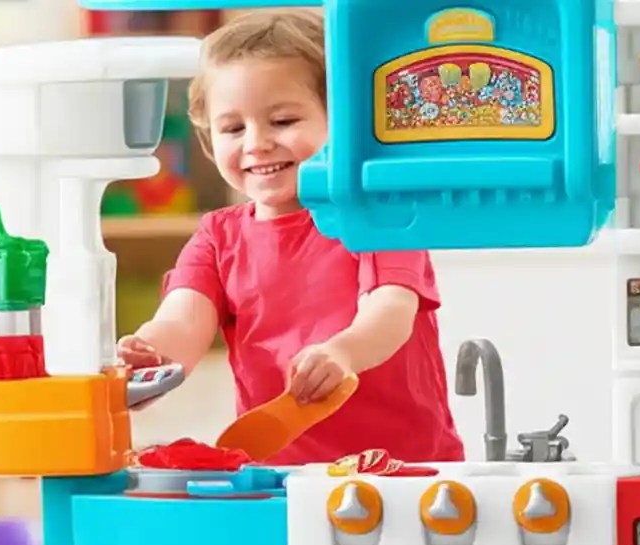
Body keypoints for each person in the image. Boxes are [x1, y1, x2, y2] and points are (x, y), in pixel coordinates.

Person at [117, 10, 465, 465]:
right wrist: (150, 356)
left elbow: (390, 311)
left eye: (282, 121)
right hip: (281, 476)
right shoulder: (218, 238)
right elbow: (183, 321)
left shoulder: (381, 215)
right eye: (233, 128)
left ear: (343, 123)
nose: (256, 143)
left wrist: (342, 353)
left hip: (404, 468)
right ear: (209, 141)